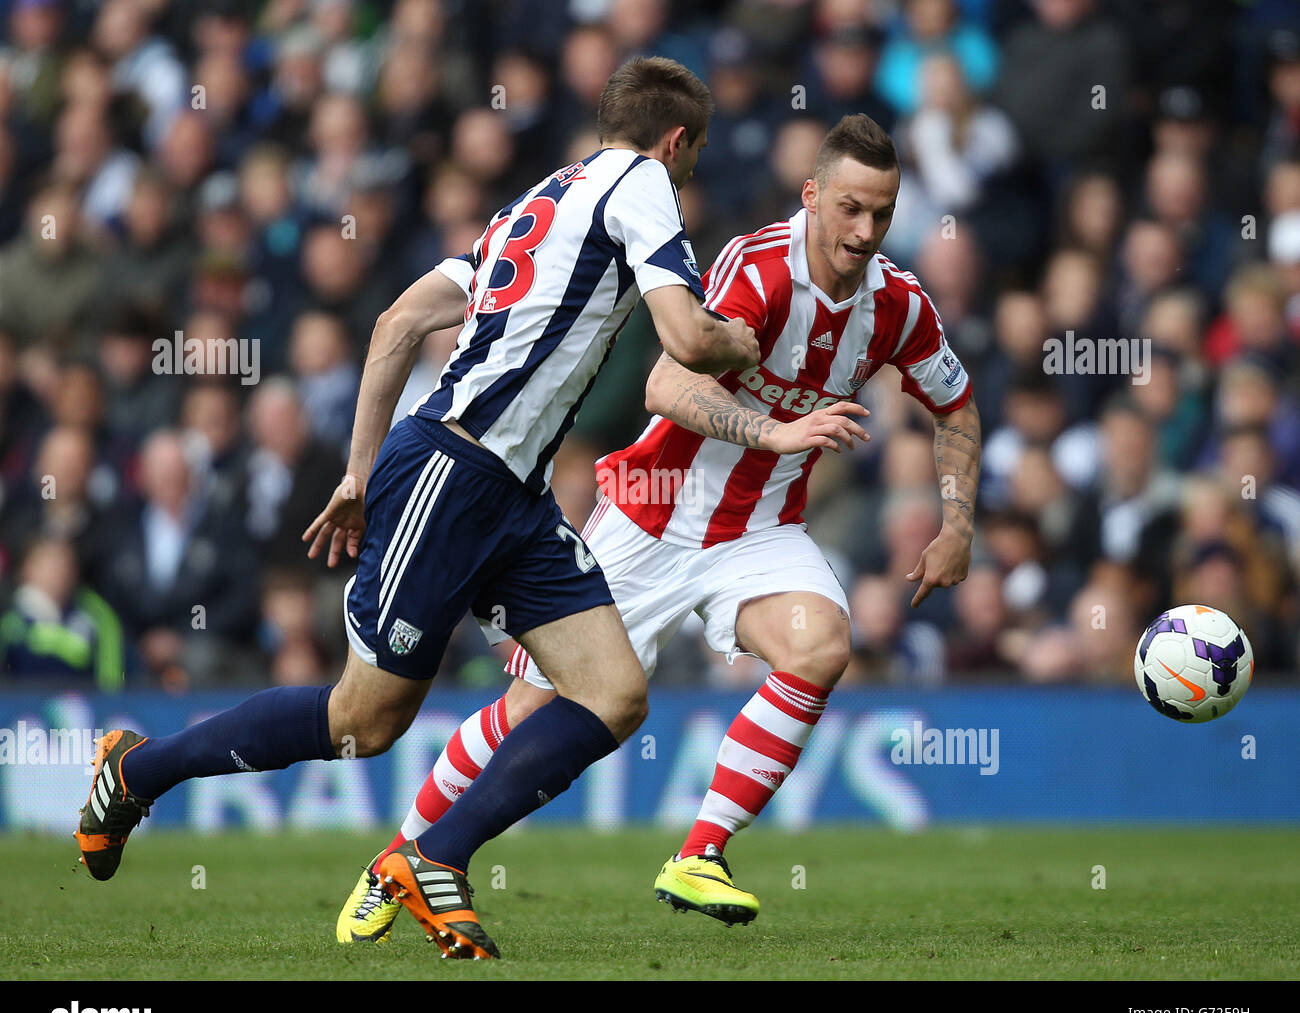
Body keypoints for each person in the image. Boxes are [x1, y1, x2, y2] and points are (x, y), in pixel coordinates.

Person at [75, 57, 760, 961]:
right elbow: (684, 334)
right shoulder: (642, 184)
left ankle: (435, 855)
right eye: (695, 154)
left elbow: (398, 322)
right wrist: (736, 340)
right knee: (363, 720)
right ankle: (137, 768)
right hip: (453, 469)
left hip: (510, 492)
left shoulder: (535, 206)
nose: (690, 171)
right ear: (676, 141)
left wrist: (359, 474)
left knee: (615, 692)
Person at [338, 113, 982, 943]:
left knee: (823, 644)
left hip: (760, 530)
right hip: (649, 514)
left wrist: (958, 519)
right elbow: (665, 384)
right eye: (851, 208)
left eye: (882, 214)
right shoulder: (758, 268)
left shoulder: (897, 303)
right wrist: (777, 432)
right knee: (529, 705)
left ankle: (700, 853)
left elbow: (956, 401)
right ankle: (400, 856)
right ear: (812, 195)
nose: (864, 231)